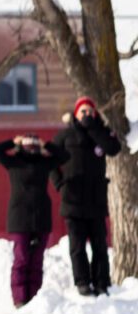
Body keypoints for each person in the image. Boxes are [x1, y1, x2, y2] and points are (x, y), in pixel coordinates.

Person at [52, 96, 127, 295]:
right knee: (77, 247)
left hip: (96, 200)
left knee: (100, 245)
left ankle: (102, 283)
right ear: (76, 114)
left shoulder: (101, 133)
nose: (86, 114)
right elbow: (50, 160)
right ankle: (82, 283)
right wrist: (59, 184)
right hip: (73, 200)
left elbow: (114, 149)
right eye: (82, 111)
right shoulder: (66, 135)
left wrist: (94, 128)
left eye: (89, 111)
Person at [0, 131, 68, 306]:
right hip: (19, 218)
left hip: (41, 217)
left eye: (34, 145)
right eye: (27, 144)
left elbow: (64, 156)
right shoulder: (13, 162)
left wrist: (45, 144)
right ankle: (19, 298)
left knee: (37, 261)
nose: (31, 148)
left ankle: (34, 298)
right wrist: (12, 141)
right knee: (22, 259)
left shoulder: (44, 163)